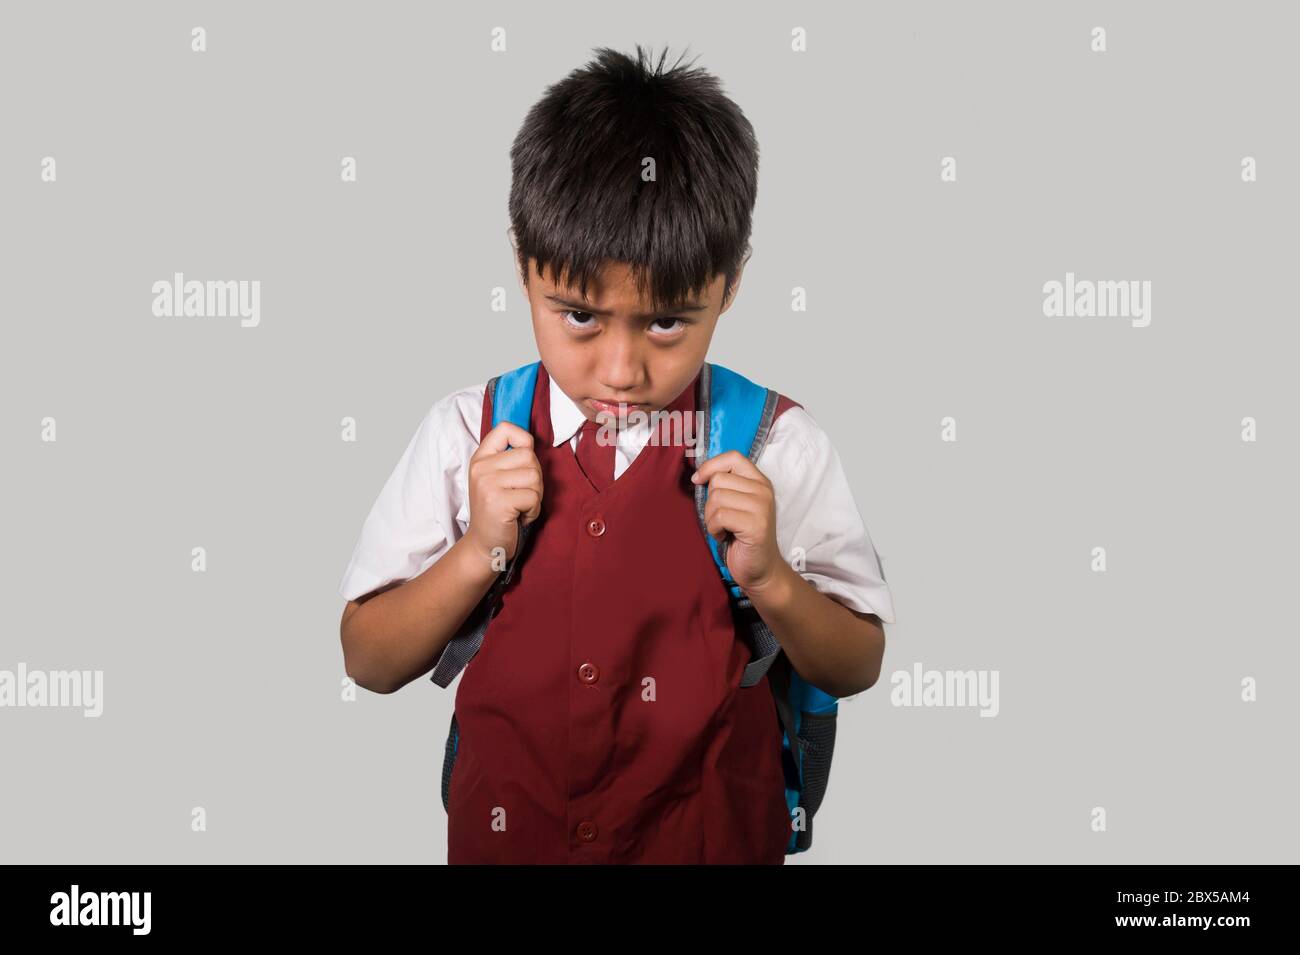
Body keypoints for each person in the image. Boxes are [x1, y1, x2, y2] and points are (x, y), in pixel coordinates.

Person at [337, 45, 895, 864]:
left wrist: (772, 575)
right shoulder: (468, 431)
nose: (623, 370)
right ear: (524, 267)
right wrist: (477, 551)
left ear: (730, 285)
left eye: (667, 322)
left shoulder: (776, 443)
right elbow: (368, 660)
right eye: (580, 317)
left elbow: (857, 662)